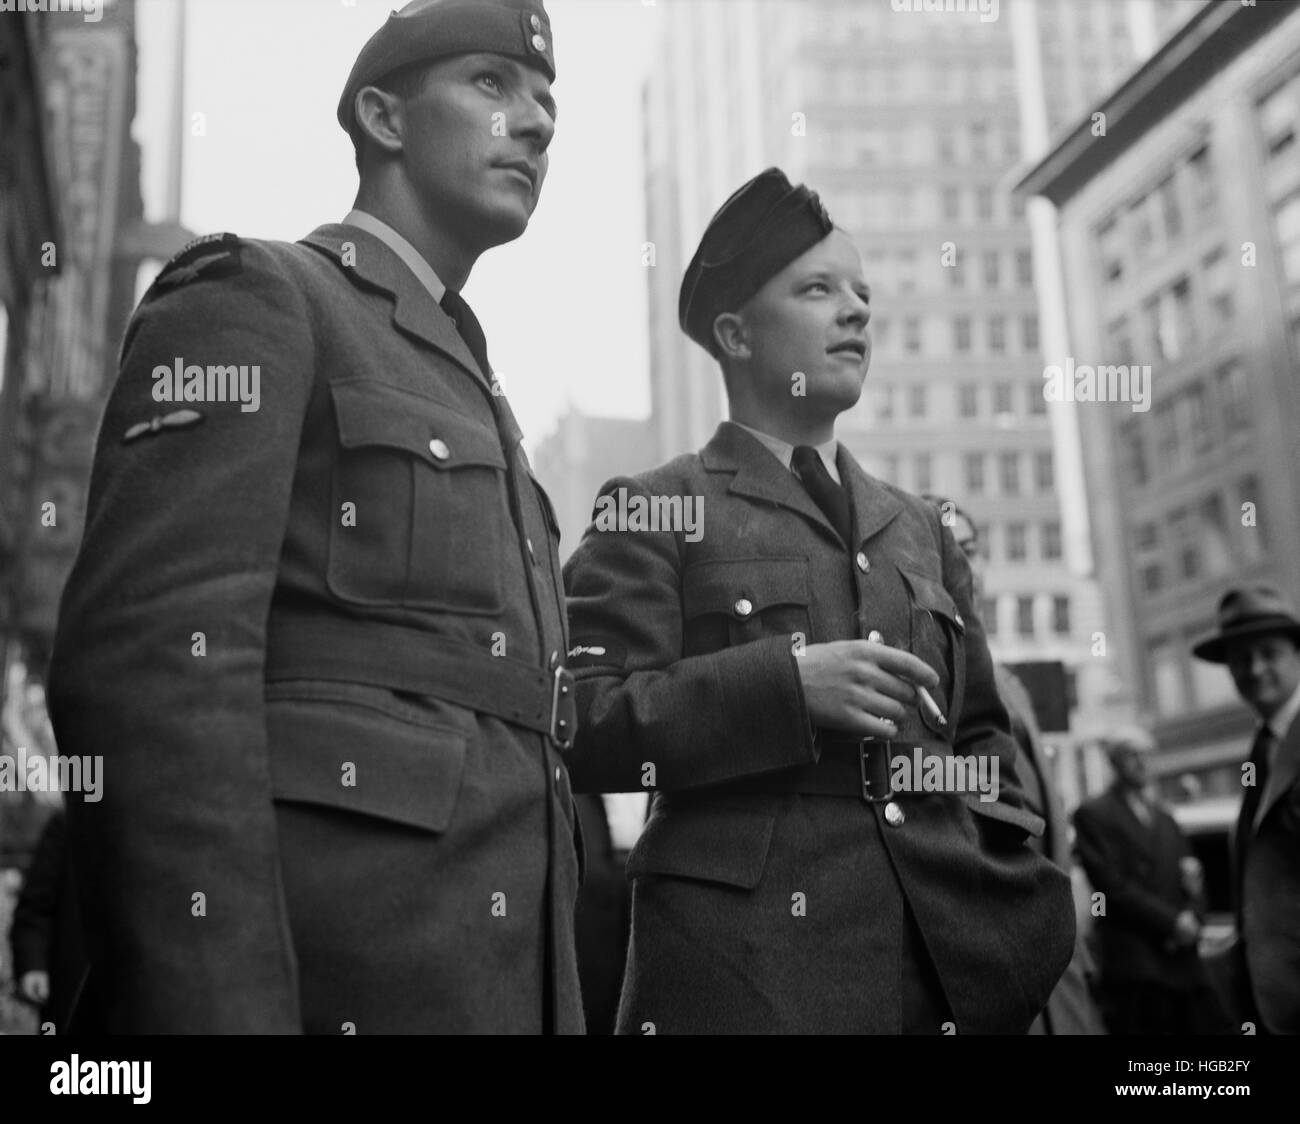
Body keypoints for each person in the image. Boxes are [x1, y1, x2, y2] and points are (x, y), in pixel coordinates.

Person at [46, 0, 582, 1034]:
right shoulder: (256, 295)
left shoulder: (480, 394)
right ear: (383, 117)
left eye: (546, 101)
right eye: (491, 83)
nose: (536, 121)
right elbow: (147, 674)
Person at [562, 167, 1076, 1034]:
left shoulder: (921, 528)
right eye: (818, 289)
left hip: (947, 970)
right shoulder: (656, 503)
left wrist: (1009, 881)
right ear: (735, 333)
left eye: (863, 294)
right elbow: (581, 718)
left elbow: (981, 735)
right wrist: (785, 688)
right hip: (749, 981)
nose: (857, 312)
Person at [925, 497, 1105, 1034]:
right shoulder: (917, 682)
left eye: (973, 550)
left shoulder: (1012, 688)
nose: (964, 564)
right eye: (947, 550)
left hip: (1062, 983)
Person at [1191, 583, 1300, 1034]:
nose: (1254, 669)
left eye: (1268, 653)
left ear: (1296, 654)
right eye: (1240, 659)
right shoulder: (1263, 747)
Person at [1073, 726, 1231, 1034]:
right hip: (1137, 964)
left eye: (1147, 754)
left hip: (1183, 960)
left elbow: (1192, 875)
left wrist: (1193, 919)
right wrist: (1172, 922)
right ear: (1115, 762)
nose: (1142, 762)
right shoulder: (1094, 814)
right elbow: (1112, 887)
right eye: (1132, 755)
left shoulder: (1166, 818)